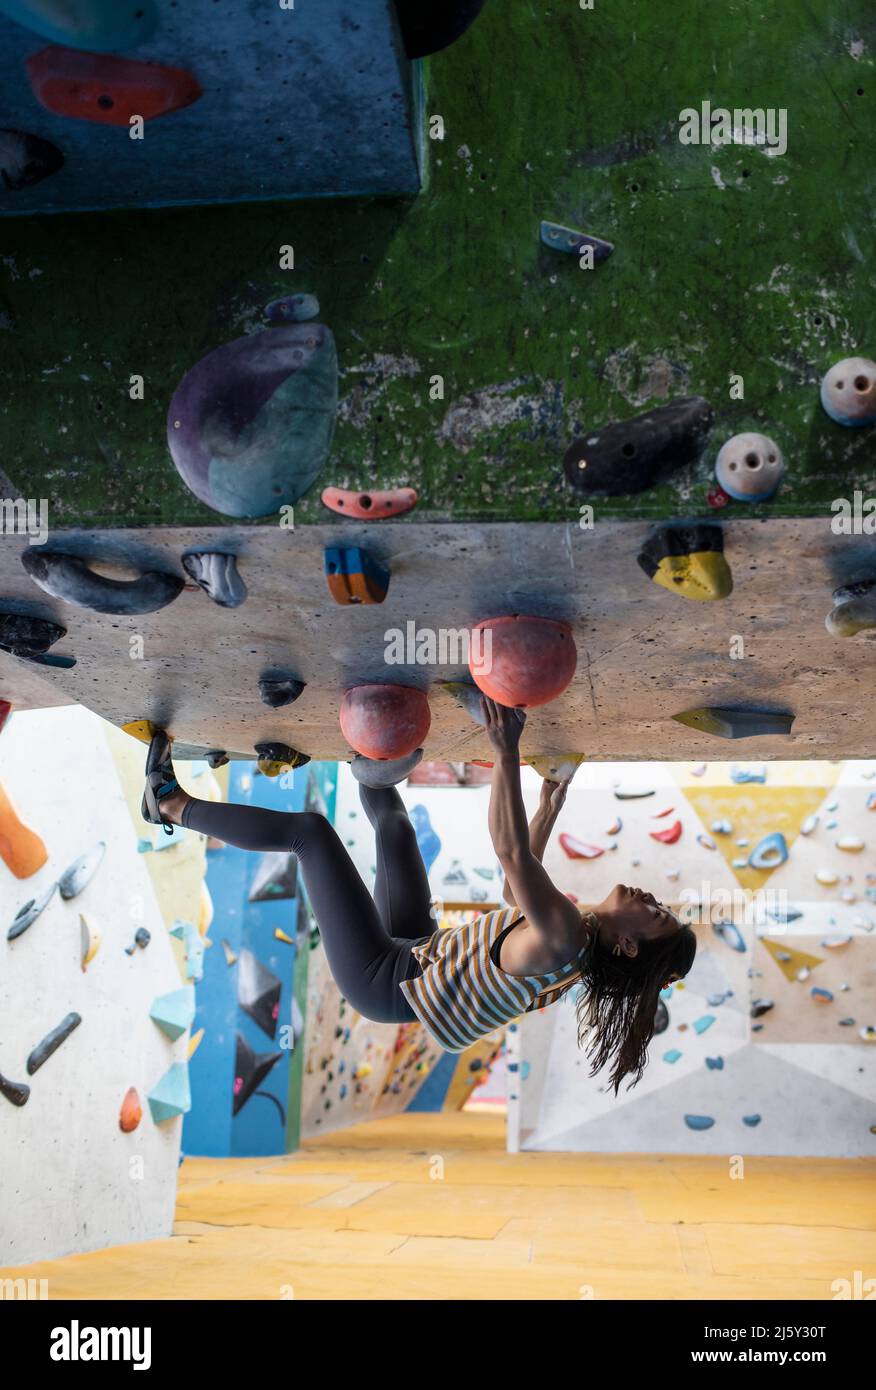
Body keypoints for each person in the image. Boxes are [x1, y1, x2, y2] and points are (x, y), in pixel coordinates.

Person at [142, 699, 696, 1092]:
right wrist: (549, 805)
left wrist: (505, 751)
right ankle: (357, 734)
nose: (653, 899)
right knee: (396, 829)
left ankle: (167, 805)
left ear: (628, 946)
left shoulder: (567, 939)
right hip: (422, 953)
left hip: (385, 983)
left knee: (310, 835)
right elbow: (513, 889)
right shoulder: (574, 938)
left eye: (658, 915)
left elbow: (509, 854)